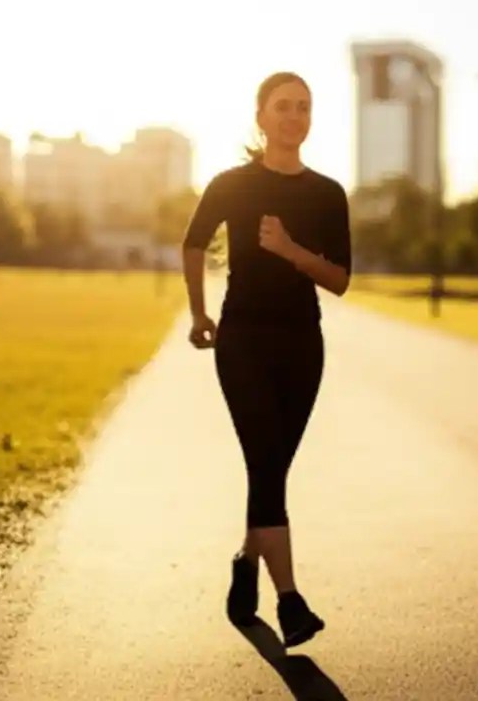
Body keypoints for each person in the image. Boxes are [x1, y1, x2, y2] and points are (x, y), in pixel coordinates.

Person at [179, 71, 351, 648]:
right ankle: (291, 602)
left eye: (304, 107)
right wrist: (200, 314)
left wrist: (290, 250)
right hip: (244, 341)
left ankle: (245, 560)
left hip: (303, 344)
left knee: (270, 470)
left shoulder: (328, 194)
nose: (293, 116)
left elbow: (341, 279)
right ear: (260, 116)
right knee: (266, 463)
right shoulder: (231, 183)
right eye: (282, 106)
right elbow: (193, 241)